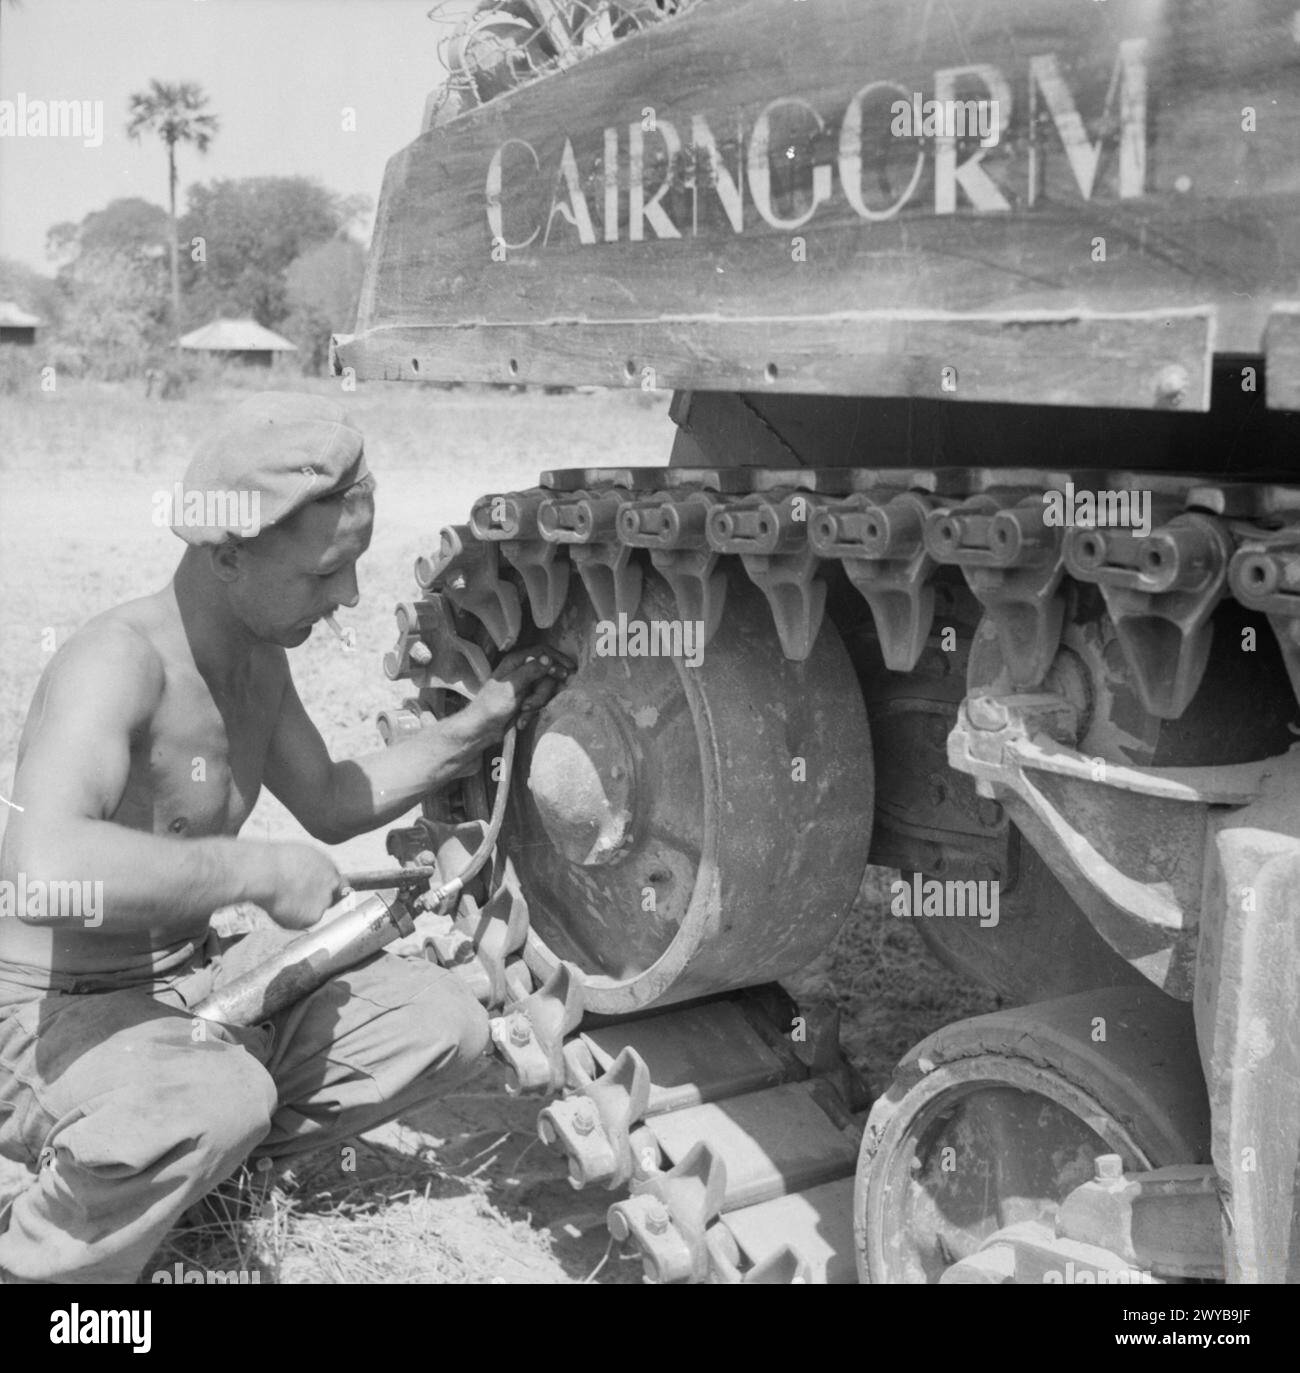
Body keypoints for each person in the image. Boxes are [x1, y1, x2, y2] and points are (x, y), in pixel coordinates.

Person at [0, 392, 571, 1283]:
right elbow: (46, 866)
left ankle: (170, 1170)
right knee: (222, 1093)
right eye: (321, 575)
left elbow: (335, 798)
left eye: (352, 567)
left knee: (441, 1025)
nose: (345, 597)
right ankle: (43, 1252)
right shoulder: (115, 661)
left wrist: (481, 723)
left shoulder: (257, 657)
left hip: (186, 987)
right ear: (227, 555)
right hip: (49, 1009)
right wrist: (253, 871)